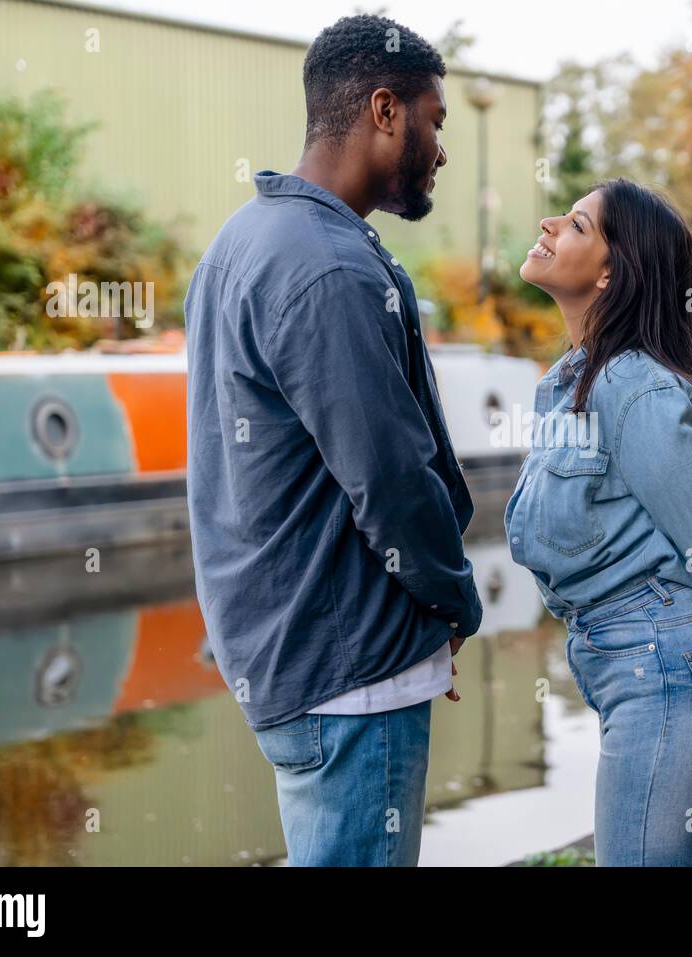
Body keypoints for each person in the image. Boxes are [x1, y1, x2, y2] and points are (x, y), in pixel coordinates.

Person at [184, 14, 480, 866]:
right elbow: (389, 477)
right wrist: (454, 601)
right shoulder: (328, 266)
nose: (442, 149)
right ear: (385, 110)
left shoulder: (241, 242)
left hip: (286, 649)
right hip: (352, 669)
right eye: (435, 119)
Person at [505, 178, 692, 866]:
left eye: (577, 225)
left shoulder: (631, 388)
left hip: (670, 672)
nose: (548, 224)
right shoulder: (570, 383)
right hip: (642, 668)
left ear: (612, 271)